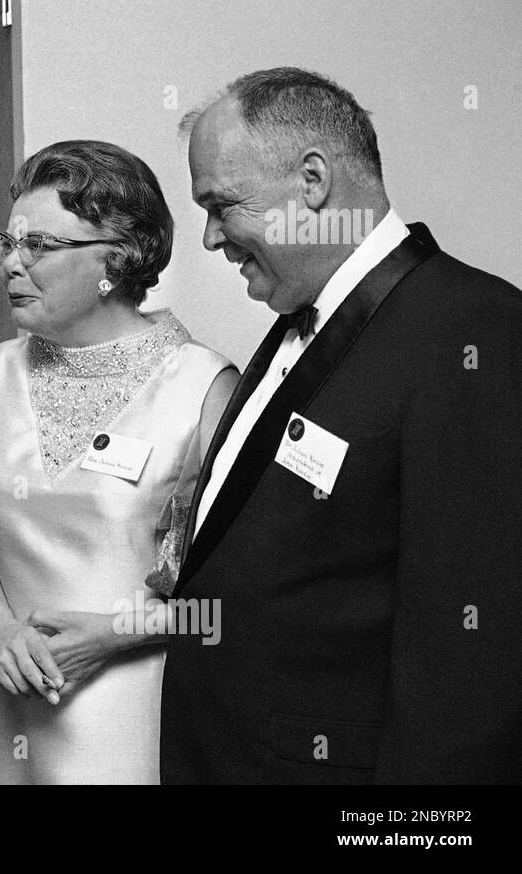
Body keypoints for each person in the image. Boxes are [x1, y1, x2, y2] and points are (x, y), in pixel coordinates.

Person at [162, 67, 522, 783]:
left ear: (314, 181)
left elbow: (471, 657)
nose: (208, 238)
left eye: (221, 205)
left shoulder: (470, 329)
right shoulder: (300, 322)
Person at [0, 140, 238, 784]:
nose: (12, 264)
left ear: (117, 256)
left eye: (40, 247)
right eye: (9, 241)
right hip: (15, 708)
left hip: (135, 710)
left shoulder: (203, 386)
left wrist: (115, 633)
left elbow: (234, 596)